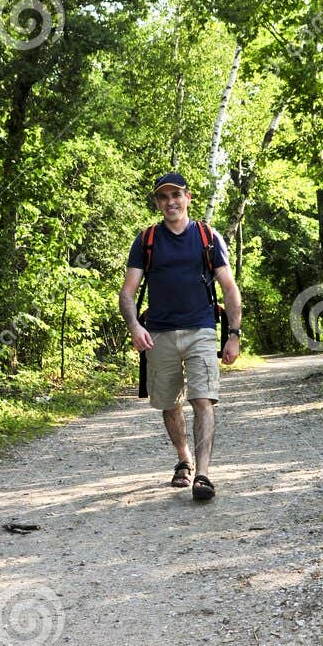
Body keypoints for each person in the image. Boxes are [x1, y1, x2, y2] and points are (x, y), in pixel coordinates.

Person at [119, 172, 242, 502]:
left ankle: (203, 474)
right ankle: (184, 459)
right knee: (169, 403)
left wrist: (233, 334)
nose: (170, 201)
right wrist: (135, 327)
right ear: (158, 203)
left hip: (202, 328)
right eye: (163, 197)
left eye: (176, 194)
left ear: (188, 197)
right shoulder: (146, 240)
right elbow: (128, 293)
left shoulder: (207, 236)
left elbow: (229, 289)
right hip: (158, 333)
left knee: (203, 400)